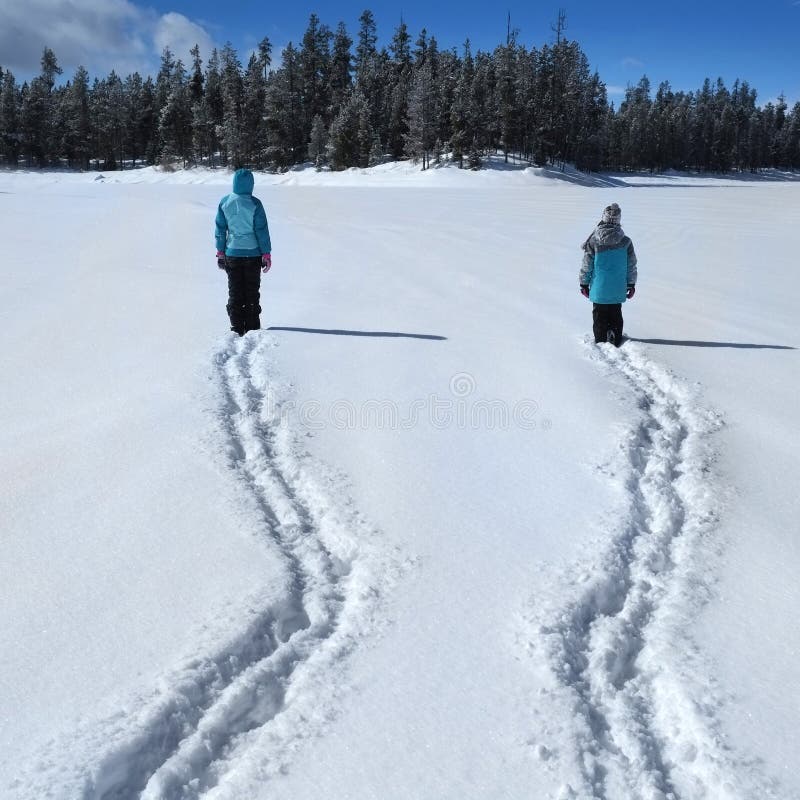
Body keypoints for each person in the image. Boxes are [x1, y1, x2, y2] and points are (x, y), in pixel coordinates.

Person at [215, 168, 272, 336]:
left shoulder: (225, 202)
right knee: (252, 291)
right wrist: (266, 254)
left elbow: (220, 229)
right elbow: (261, 230)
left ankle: (236, 327)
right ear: (251, 185)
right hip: (253, 254)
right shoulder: (255, 203)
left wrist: (220, 252)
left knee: (235, 291)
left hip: (232, 253)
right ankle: (253, 327)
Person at [579, 202, 637, 347]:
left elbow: (587, 265)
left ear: (603, 218)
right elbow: (632, 265)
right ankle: (616, 340)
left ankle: (600, 342)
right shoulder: (626, 242)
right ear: (619, 220)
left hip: (599, 288)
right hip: (618, 288)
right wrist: (631, 284)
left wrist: (584, 283)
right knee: (616, 314)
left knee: (599, 316)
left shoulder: (594, 241)